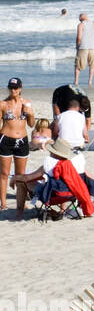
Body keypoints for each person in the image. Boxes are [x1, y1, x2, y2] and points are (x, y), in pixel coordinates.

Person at [1, 77, 35, 211]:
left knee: (20, 174)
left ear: (20, 88)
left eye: (15, 88)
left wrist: (31, 115)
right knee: (4, 173)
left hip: (22, 140)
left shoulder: (26, 103)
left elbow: (31, 124)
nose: (13, 90)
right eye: (11, 87)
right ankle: (3, 204)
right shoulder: (3, 104)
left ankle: (20, 203)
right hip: (6, 139)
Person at [74, 13, 94, 87]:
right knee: (92, 65)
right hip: (93, 48)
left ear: (80, 19)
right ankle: (90, 81)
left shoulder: (80, 25)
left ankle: (76, 81)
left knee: (78, 65)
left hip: (83, 47)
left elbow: (79, 37)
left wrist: (77, 45)